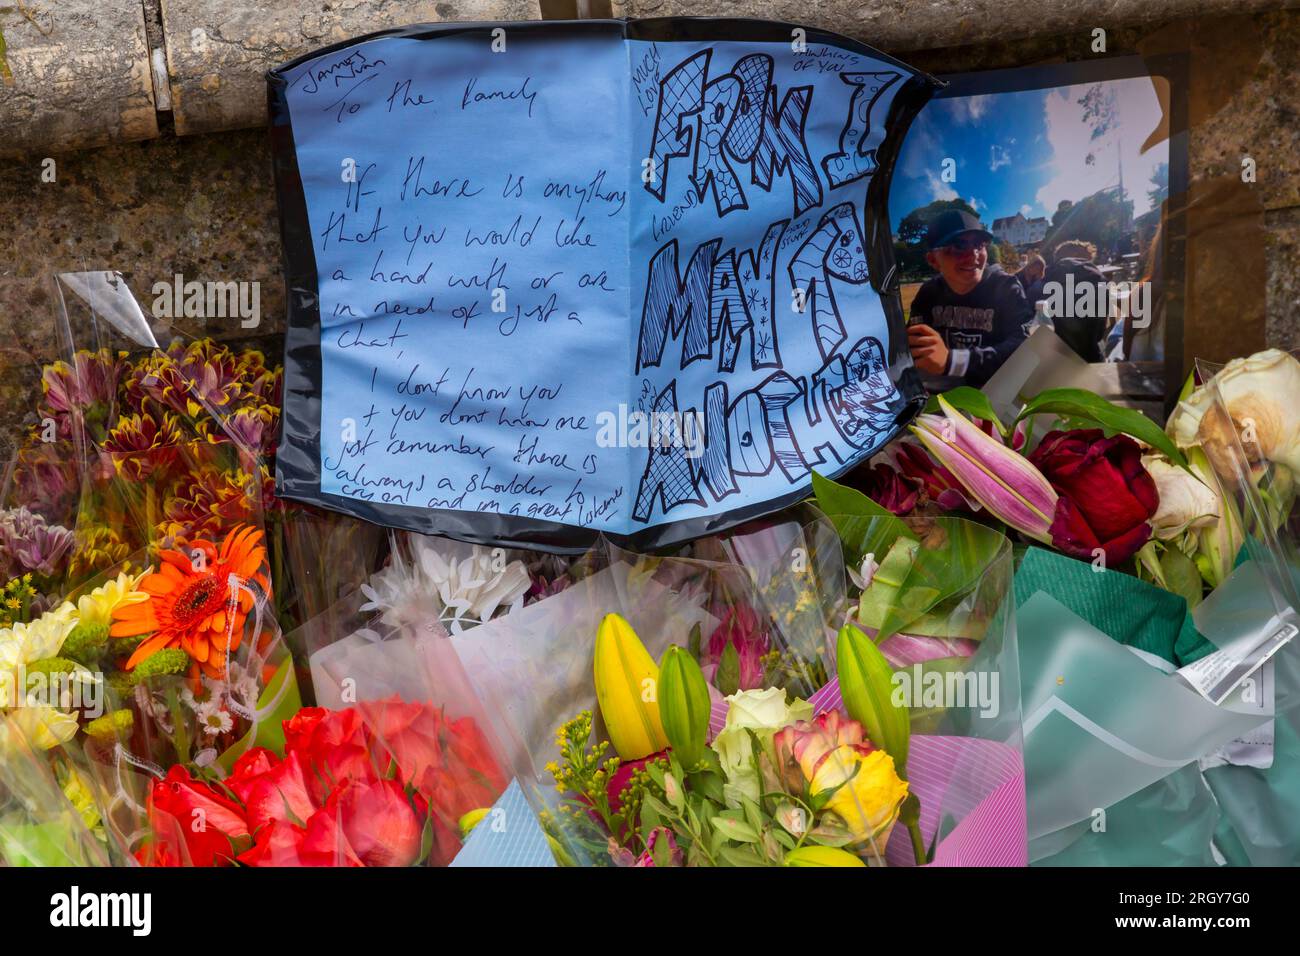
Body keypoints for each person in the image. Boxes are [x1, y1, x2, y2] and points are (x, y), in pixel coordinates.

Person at [906, 209, 1033, 392]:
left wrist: (952, 361)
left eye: (979, 245)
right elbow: (914, 344)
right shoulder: (929, 293)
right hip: (940, 398)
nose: (973, 255)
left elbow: (1025, 347)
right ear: (933, 260)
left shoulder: (1005, 287)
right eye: (958, 246)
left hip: (992, 398)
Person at [1042, 239, 1109, 362]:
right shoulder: (1098, 278)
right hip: (1090, 358)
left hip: (1051, 361)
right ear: (1077, 255)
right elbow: (1099, 332)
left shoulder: (1042, 281)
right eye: (1088, 260)